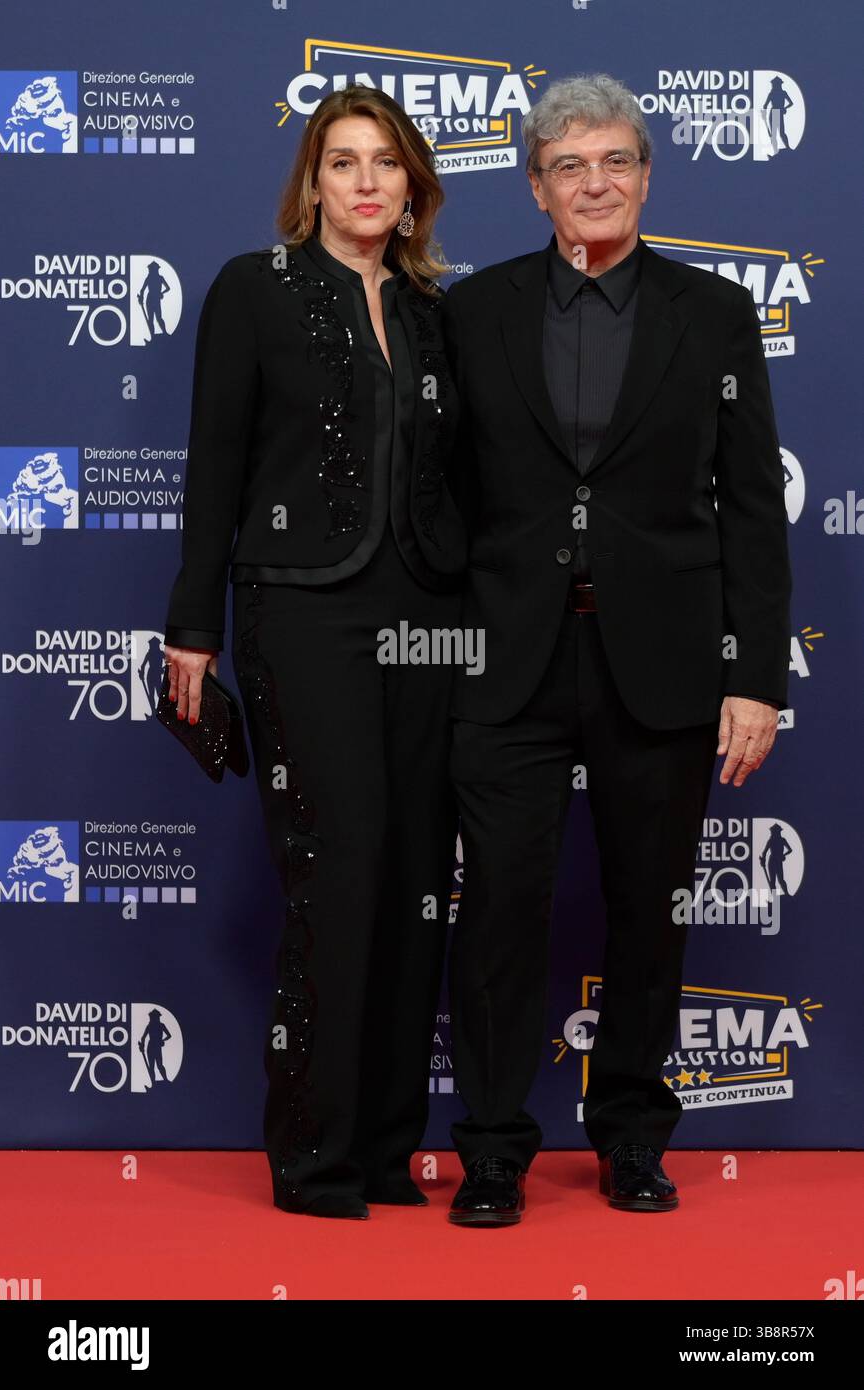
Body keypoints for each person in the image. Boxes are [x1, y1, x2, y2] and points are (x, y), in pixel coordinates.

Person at [440, 73, 792, 1225]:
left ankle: (632, 1138)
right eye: (569, 167)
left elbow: (750, 506)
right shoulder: (474, 311)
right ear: (536, 187)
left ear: (645, 175)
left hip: (664, 658)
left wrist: (753, 678)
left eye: (616, 163)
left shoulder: (715, 314)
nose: (595, 184)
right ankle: (492, 1148)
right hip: (507, 657)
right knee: (497, 908)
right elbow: (438, 502)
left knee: (650, 907)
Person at [161, 85, 467, 1220]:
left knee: (410, 881)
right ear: (312, 182)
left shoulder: (441, 312)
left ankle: (387, 1147)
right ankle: (313, 1153)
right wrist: (192, 628)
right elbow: (214, 468)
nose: (366, 183)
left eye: (385, 162)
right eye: (343, 162)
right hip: (301, 608)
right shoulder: (255, 291)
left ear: (413, 183)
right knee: (334, 878)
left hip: (428, 618)